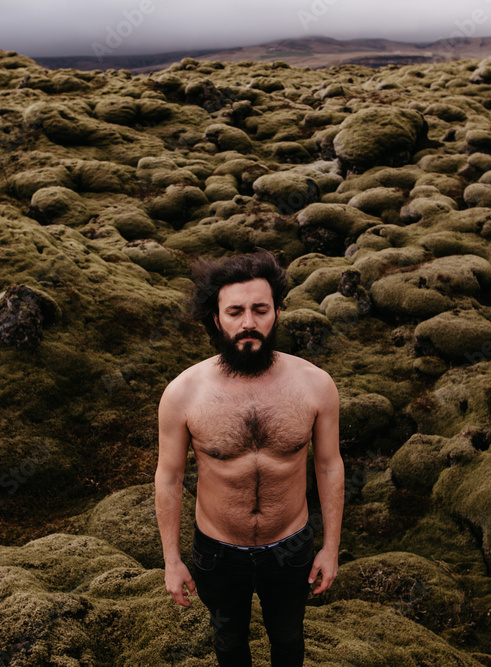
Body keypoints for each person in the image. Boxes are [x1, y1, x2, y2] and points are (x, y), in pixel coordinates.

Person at [155, 250, 344, 667]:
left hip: (291, 547)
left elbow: (329, 465)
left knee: (289, 640)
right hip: (217, 553)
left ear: (277, 312)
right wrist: (171, 561)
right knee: (228, 643)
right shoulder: (183, 393)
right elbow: (168, 478)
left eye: (260, 309)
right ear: (216, 318)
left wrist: (331, 547)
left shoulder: (316, 386)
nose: (249, 323)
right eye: (235, 311)